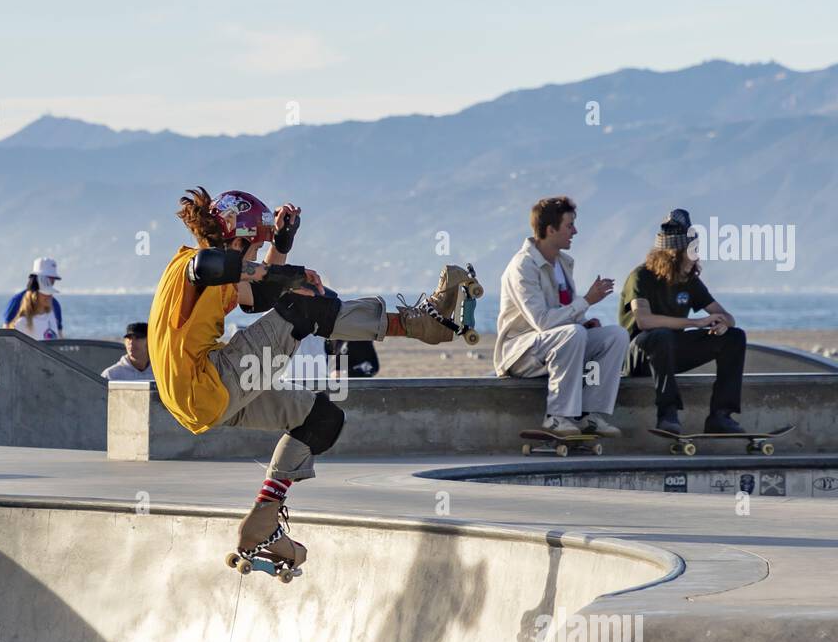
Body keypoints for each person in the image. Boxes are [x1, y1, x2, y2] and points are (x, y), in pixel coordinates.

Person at [147, 187, 471, 571]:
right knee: (304, 304)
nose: (255, 258)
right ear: (239, 240)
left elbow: (260, 298)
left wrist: (281, 245)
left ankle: (264, 520)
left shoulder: (225, 278)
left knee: (321, 419)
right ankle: (418, 323)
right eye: (254, 249)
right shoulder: (191, 267)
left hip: (204, 399)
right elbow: (211, 266)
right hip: (209, 380)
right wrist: (286, 274)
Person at [494, 196, 628, 436]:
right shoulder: (523, 266)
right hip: (521, 352)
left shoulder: (563, 264)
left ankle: (590, 415)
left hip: (556, 344)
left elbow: (562, 314)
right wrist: (586, 301)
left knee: (615, 336)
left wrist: (583, 323)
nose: (575, 231)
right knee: (573, 334)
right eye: (569, 225)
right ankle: (557, 417)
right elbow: (543, 322)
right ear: (550, 229)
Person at [619, 209, 747, 436]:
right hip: (639, 356)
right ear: (675, 253)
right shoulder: (641, 276)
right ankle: (667, 414)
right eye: (693, 249)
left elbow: (727, 316)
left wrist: (721, 323)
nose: (698, 254)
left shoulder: (689, 281)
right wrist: (696, 323)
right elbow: (644, 320)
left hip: (672, 353)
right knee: (661, 335)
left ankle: (720, 416)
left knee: (735, 337)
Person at [4, 257, 63, 340]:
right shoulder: (16, 302)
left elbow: (59, 334)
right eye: (49, 278)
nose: (52, 282)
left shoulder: (54, 306)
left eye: (53, 279)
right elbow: (7, 332)